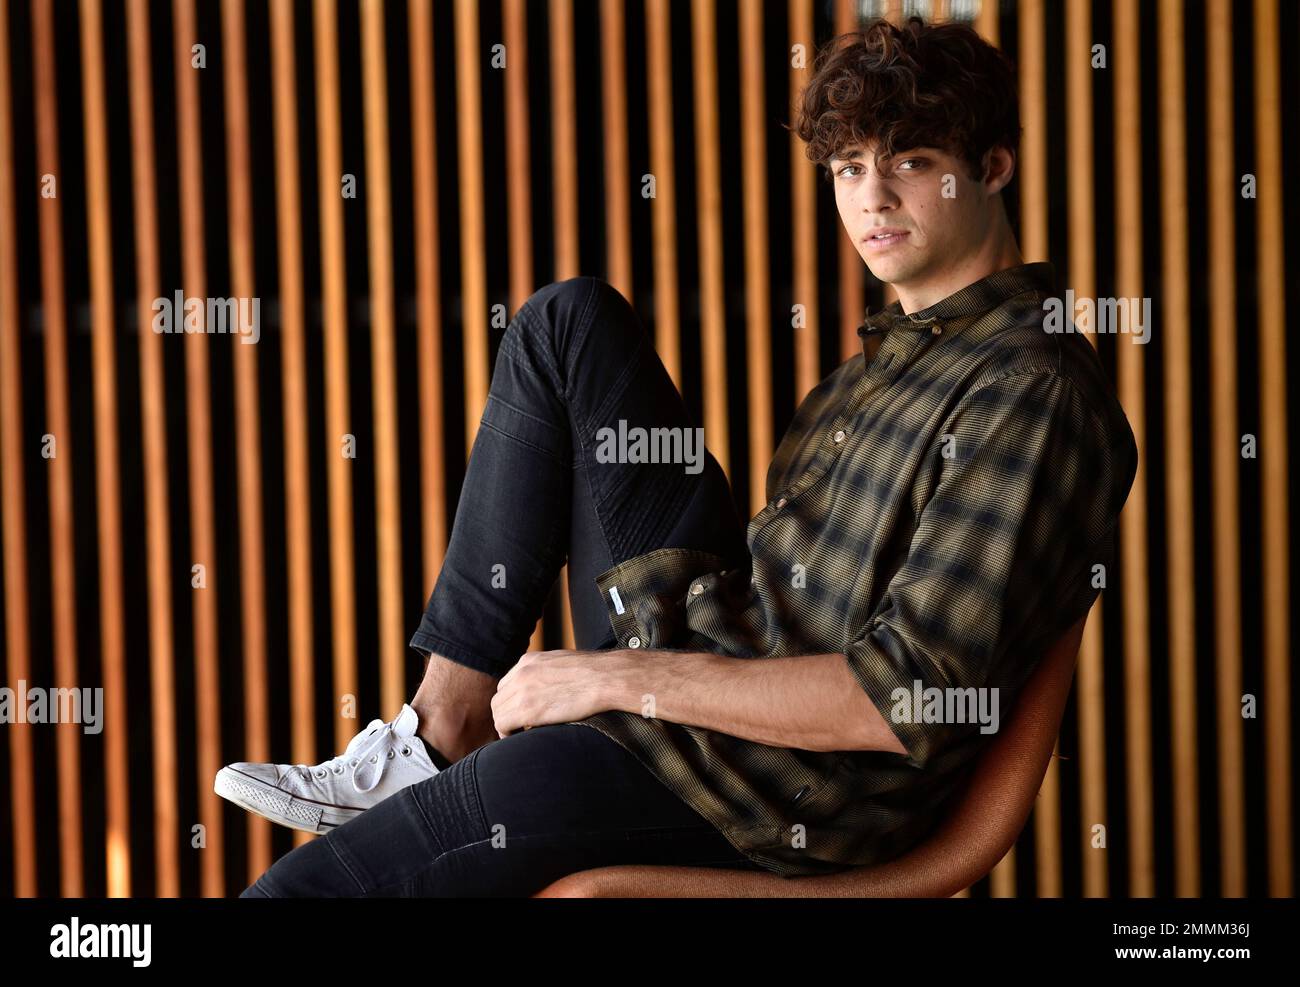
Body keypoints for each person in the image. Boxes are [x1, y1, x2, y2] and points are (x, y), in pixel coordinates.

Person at [220, 15, 1138, 897]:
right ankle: (439, 727)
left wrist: (613, 677)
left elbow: (910, 699)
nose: (873, 197)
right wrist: (641, 669)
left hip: (762, 793)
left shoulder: (1031, 386)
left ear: (993, 167)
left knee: (304, 891)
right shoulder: (885, 362)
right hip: (711, 671)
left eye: (912, 163)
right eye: (850, 167)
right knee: (565, 326)